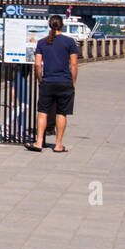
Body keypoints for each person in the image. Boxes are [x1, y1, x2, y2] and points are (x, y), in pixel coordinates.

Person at [28, 15, 77, 152]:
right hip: (64, 81)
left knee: (42, 112)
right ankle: (58, 145)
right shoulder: (69, 42)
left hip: (48, 82)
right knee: (61, 113)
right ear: (62, 25)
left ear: (50, 25)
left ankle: (39, 142)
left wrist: (40, 80)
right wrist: (73, 82)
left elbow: (37, 65)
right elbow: (74, 64)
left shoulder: (42, 42)